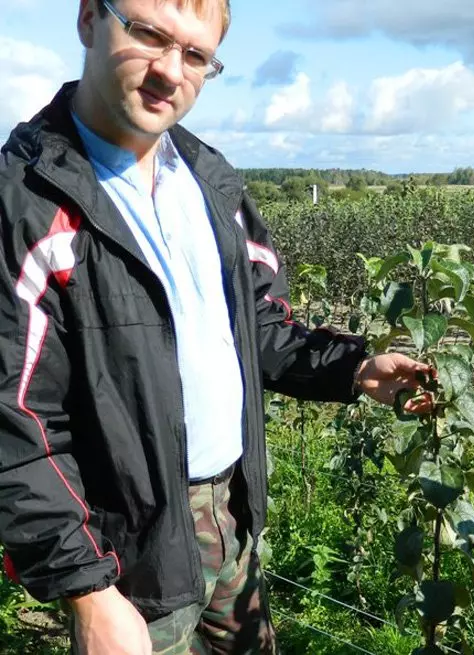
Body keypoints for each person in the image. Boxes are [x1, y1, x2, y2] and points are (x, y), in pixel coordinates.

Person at [0, 0, 431, 653]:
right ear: (89, 19)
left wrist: (353, 367)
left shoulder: (209, 182)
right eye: (147, 35)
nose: (170, 71)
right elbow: (16, 422)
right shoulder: (28, 203)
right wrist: (87, 590)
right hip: (127, 552)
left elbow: (256, 322)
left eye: (196, 55)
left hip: (230, 511)